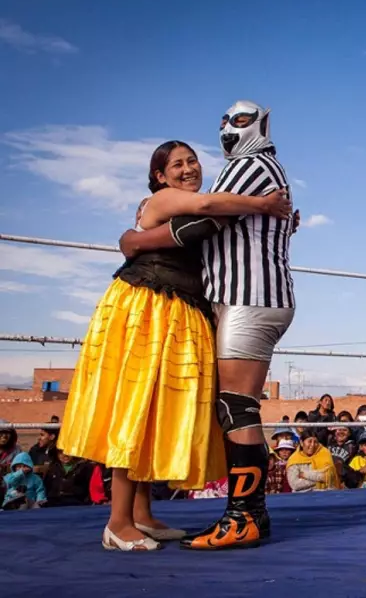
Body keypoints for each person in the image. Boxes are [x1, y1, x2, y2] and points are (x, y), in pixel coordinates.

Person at [61, 139, 291, 551]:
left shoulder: (188, 204)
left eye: (193, 161)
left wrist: (283, 222)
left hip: (176, 310)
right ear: (159, 176)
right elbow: (205, 213)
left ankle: (142, 514)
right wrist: (263, 205)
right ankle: (117, 522)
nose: (188, 169)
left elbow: (212, 227)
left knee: (155, 413)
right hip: (149, 306)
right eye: (177, 164)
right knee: (136, 409)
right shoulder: (165, 200)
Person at [119, 102, 297, 551]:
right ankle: (241, 517)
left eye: (237, 120)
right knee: (232, 406)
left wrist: (134, 238)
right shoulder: (250, 170)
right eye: (222, 120)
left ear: (260, 124)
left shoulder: (251, 165)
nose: (226, 128)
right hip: (241, 299)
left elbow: (205, 213)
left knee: (238, 407)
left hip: (249, 298)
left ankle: (245, 518)